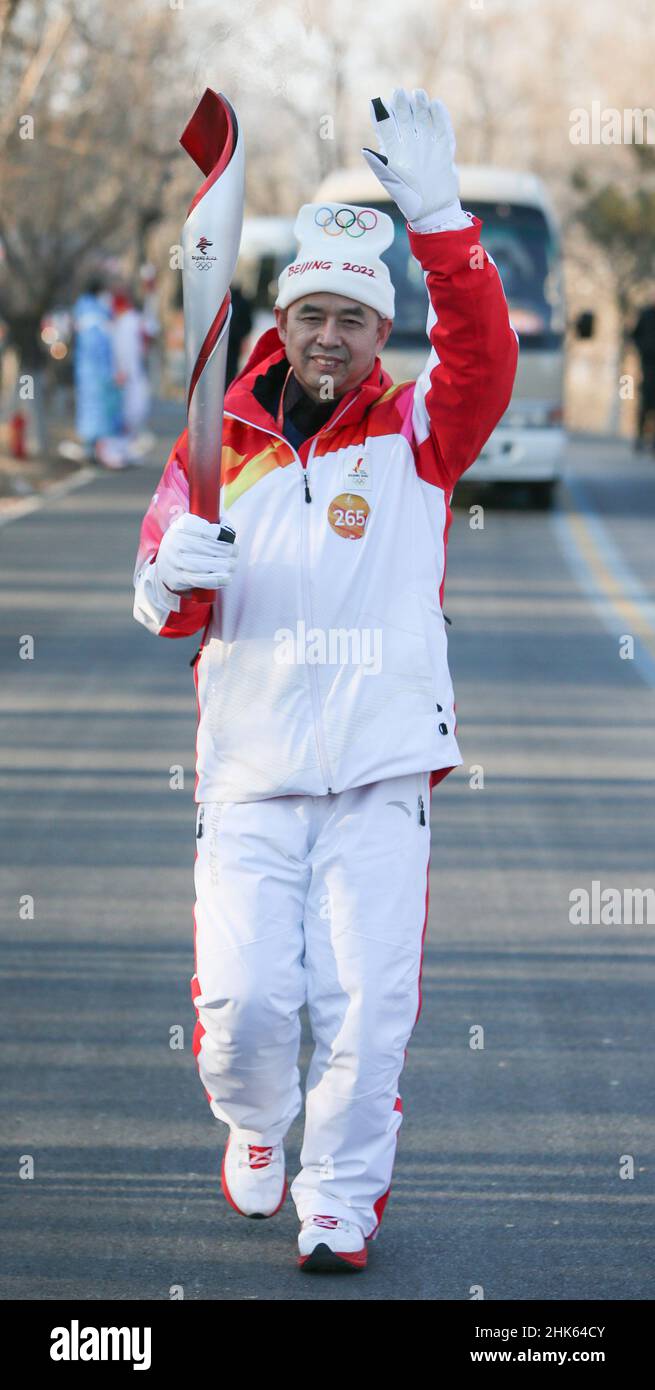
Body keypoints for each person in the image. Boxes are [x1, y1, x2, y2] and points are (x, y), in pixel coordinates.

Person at [132, 88, 519, 1273]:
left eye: (354, 318)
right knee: (245, 1015)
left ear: (377, 332)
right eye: (313, 314)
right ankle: (254, 1121)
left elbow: (486, 356)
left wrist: (442, 218)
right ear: (282, 321)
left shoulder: (417, 434)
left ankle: (340, 1201)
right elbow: (163, 600)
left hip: (380, 772)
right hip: (249, 774)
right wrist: (166, 573)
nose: (330, 337)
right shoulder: (212, 447)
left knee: (367, 1014)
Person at [70, 276, 119, 462]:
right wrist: (108, 372)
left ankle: (92, 450)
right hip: (95, 372)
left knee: (91, 408)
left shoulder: (85, 311)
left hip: (87, 372)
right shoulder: (95, 316)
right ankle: (93, 451)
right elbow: (98, 348)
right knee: (96, 410)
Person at [631, 302, 655, 450]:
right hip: (648, 365)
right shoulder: (646, 315)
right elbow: (635, 335)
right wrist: (643, 350)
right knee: (646, 403)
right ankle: (640, 437)